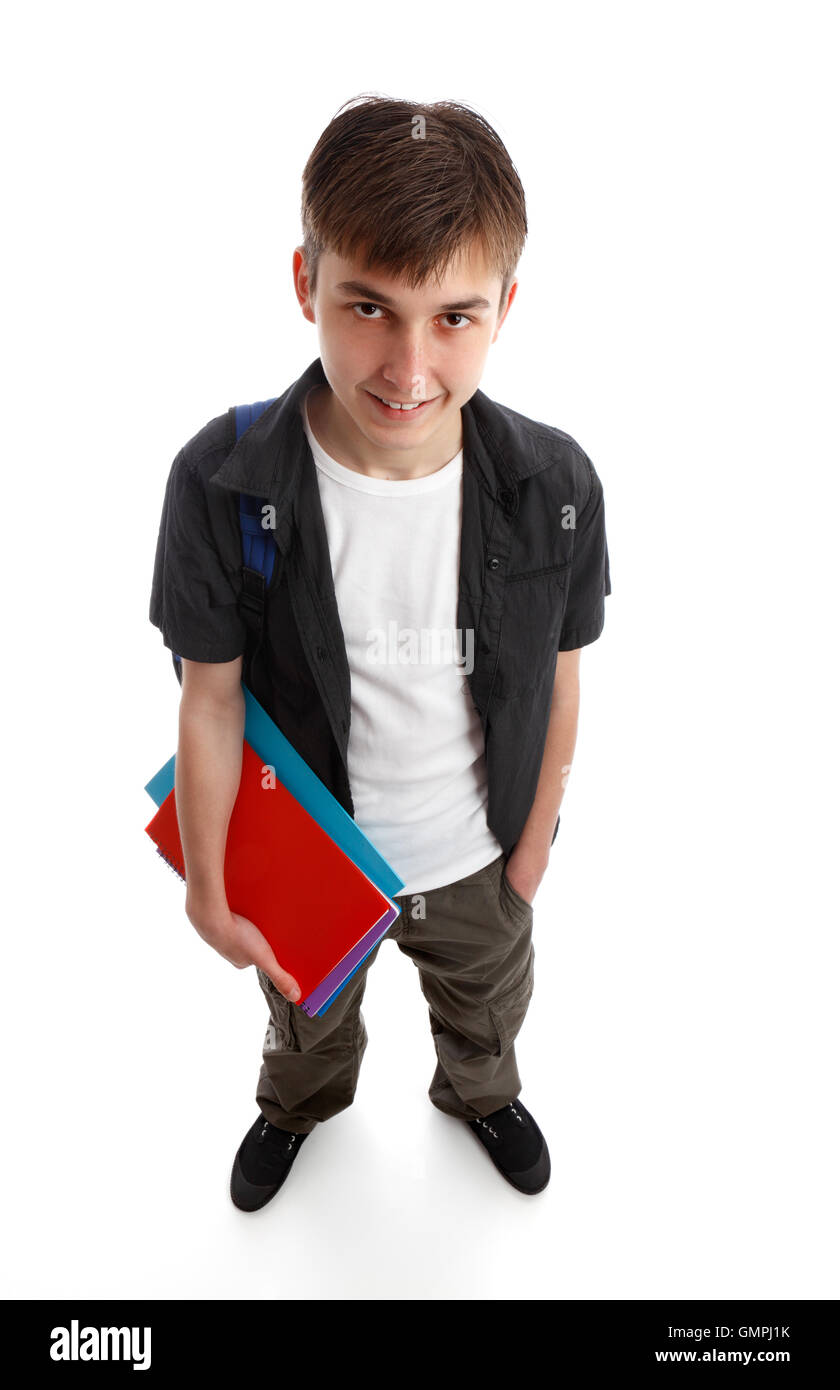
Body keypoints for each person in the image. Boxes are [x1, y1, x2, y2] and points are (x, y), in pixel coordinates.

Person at [149, 95, 611, 1210]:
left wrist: (534, 846)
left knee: (487, 1007)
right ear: (306, 283)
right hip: (313, 858)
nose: (408, 365)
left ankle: (482, 1093)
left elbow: (563, 670)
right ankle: (300, 1102)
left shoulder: (555, 483)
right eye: (369, 306)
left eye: (454, 316)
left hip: (474, 860)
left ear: (507, 306)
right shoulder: (220, 479)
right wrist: (213, 892)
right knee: (305, 1014)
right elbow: (210, 703)